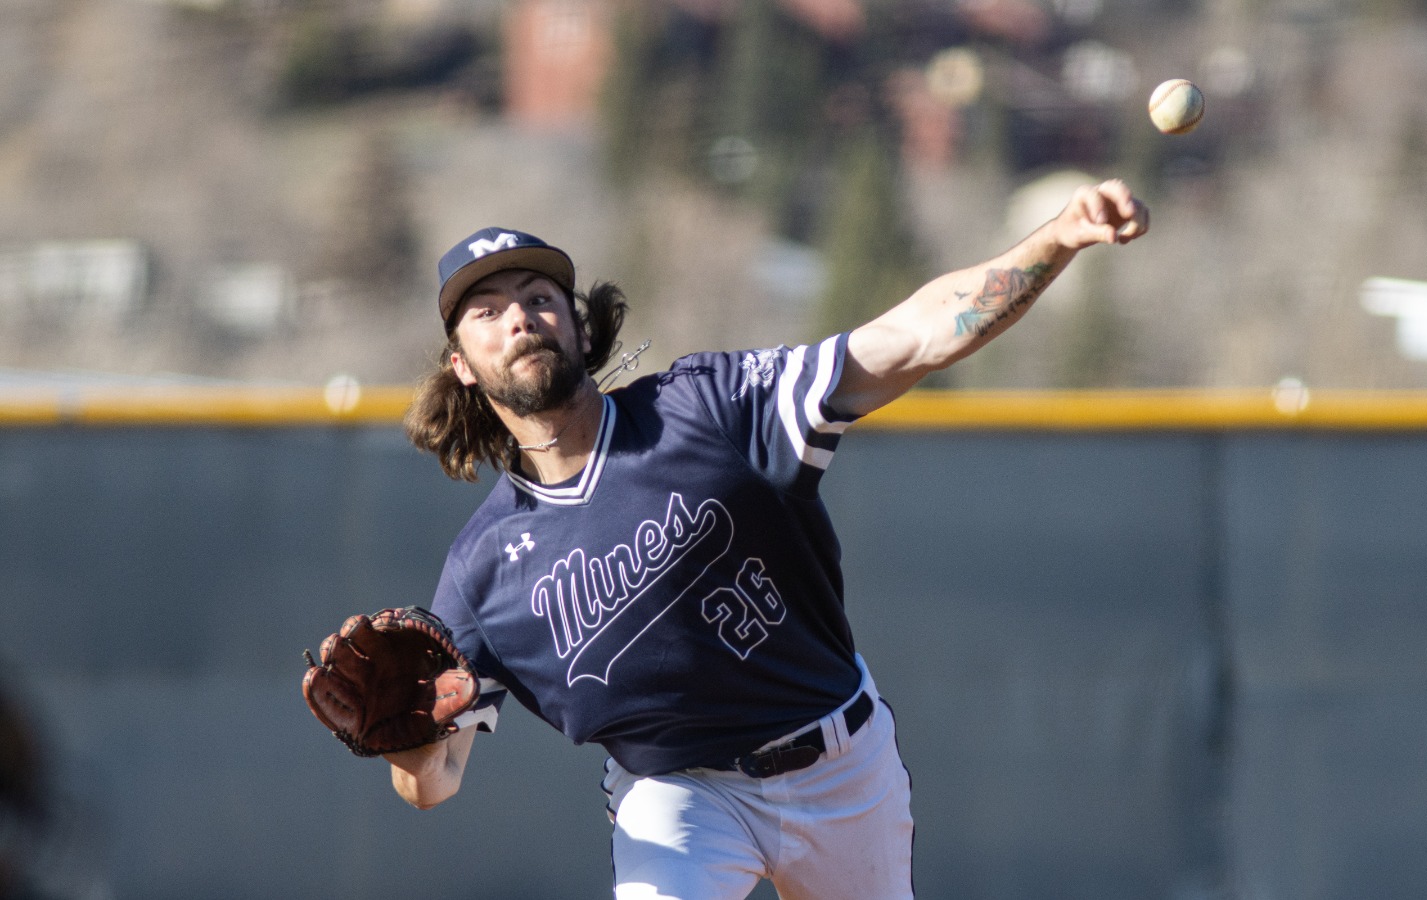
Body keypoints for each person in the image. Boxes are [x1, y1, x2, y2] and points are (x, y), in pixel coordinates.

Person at [392, 178, 1149, 899]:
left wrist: (1056, 239)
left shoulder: (706, 409)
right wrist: (406, 742)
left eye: (538, 297)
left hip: (841, 766)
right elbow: (435, 779)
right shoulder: (481, 573)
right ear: (462, 365)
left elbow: (909, 339)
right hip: (678, 794)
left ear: (580, 327)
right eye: (487, 311)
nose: (520, 319)